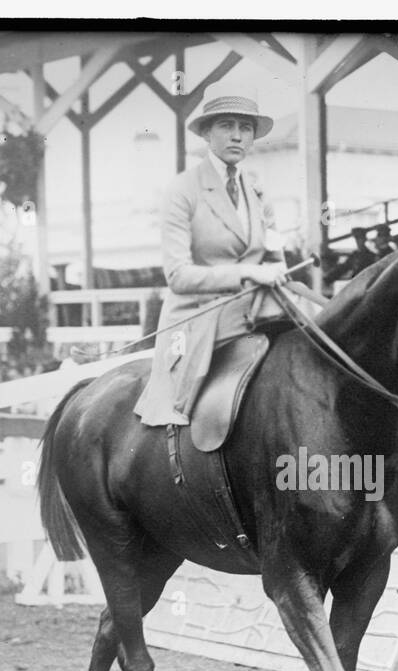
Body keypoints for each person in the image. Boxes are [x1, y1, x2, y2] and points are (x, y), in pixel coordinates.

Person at [134, 80, 285, 427]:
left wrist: (278, 273)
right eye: (226, 126)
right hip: (196, 316)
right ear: (206, 132)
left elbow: (275, 256)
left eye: (245, 128)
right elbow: (178, 276)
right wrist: (247, 274)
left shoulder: (259, 191)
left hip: (257, 307)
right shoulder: (182, 190)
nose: (237, 136)